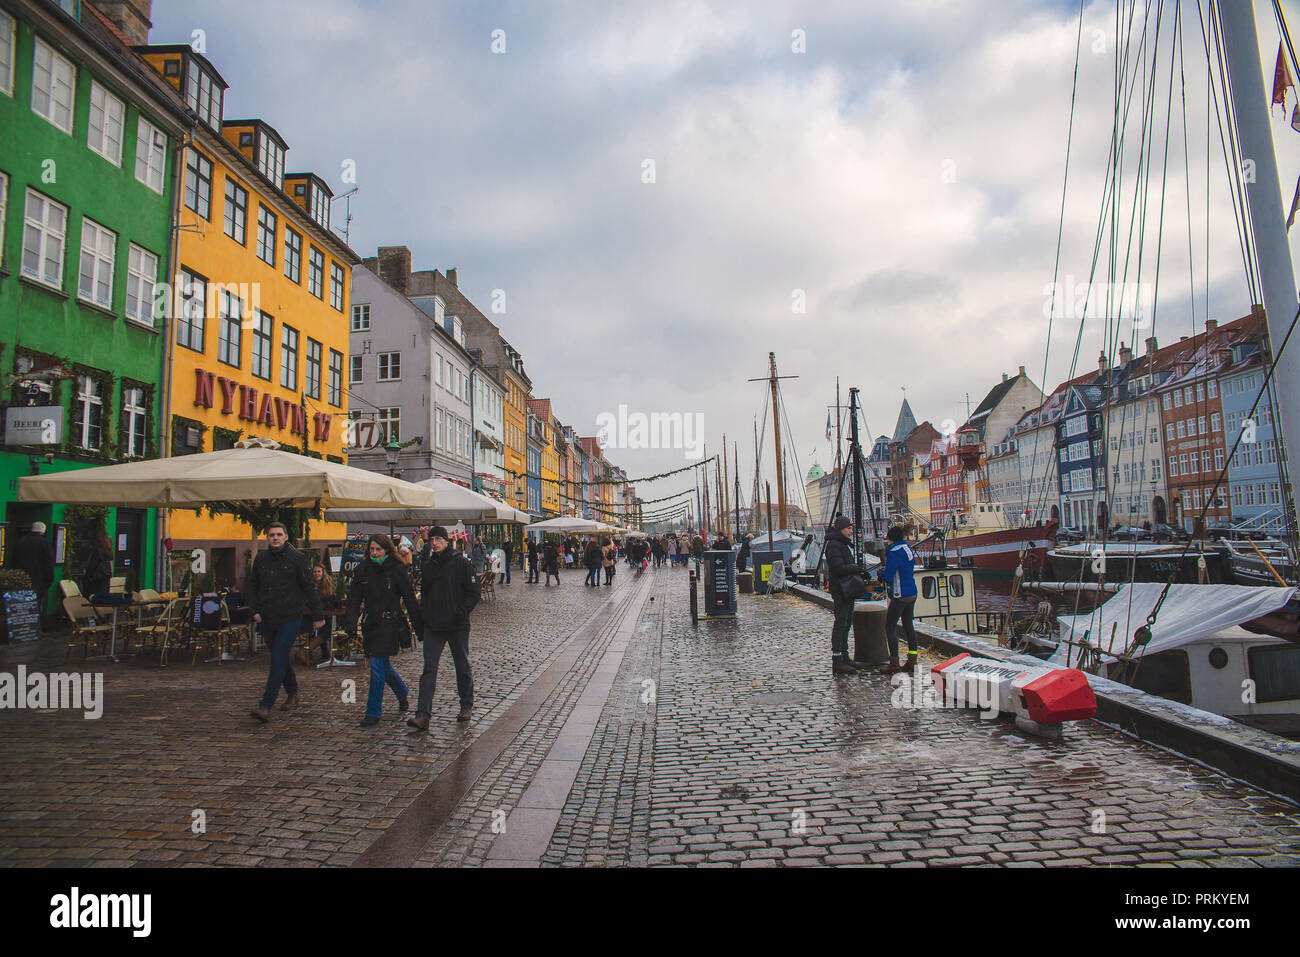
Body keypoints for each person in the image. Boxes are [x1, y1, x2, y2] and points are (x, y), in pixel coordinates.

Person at [247, 523, 324, 722]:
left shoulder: (297, 559)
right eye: (271, 535)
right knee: (278, 657)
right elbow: (253, 585)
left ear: (286, 537)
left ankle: (266, 705)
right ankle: (293, 692)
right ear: (267, 537)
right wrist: (254, 610)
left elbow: (309, 587)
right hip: (268, 616)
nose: (275, 538)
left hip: (290, 616)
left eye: (279, 534)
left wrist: (318, 615)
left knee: (278, 658)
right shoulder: (261, 559)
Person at [346, 534, 422, 726]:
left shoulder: (396, 569)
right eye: (371, 549)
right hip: (371, 624)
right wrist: (350, 622)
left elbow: (410, 598)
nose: (374, 553)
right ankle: (402, 692)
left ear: (387, 550)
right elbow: (354, 598)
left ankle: (373, 711)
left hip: (390, 624)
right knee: (383, 667)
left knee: (377, 666)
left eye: (378, 549)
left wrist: (419, 626)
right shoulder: (362, 569)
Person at [409, 526, 480, 729]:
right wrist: (423, 620)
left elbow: (473, 592)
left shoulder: (461, 563)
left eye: (438, 539)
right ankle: (423, 715)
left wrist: (460, 613)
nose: (434, 543)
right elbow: (425, 594)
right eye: (432, 540)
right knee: (429, 668)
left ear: (447, 541)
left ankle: (466, 704)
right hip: (434, 625)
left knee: (462, 666)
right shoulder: (430, 566)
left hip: (457, 625)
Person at [824, 516, 869, 676]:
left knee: (847, 621)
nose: (851, 532)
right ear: (841, 529)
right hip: (841, 588)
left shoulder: (841, 544)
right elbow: (838, 567)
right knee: (841, 622)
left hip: (847, 588)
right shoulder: (835, 545)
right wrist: (855, 568)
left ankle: (845, 656)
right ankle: (837, 659)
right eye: (848, 528)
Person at [878, 526, 919, 674]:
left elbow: (889, 576)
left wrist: (882, 575)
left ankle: (894, 662)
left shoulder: (894, 553)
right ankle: (912, 660)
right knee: (909, 625)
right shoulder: (908, 550)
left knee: (889, 626)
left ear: (891, 539)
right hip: (912, 593)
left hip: (900, 594)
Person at [15, 522, 55, 633]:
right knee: (37, 605)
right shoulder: (45, 543)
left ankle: (22, 630)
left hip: (22, 580)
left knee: (23, 605)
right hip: (39, 581)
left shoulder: (21, 542)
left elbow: (15, 560)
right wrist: (49, 580)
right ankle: (36, 630)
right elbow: (48, 563)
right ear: (43, 531)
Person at [308, 564, 339, 663]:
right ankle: (308, 650)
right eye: (315, 572)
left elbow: (331, 598)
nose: (316, 574)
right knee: (324, 628)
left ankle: (323, 650)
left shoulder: (328, 583)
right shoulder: (309, 584)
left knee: (327, 627)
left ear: (322, 572)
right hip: (312, 613)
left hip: (326, 612)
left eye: (318, 571)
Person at [79, 530, 114, 598]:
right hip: (105, 580)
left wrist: (86, 578)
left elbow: (92, 566)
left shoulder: (97, 551)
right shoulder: (108, 550)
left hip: (96, 581)